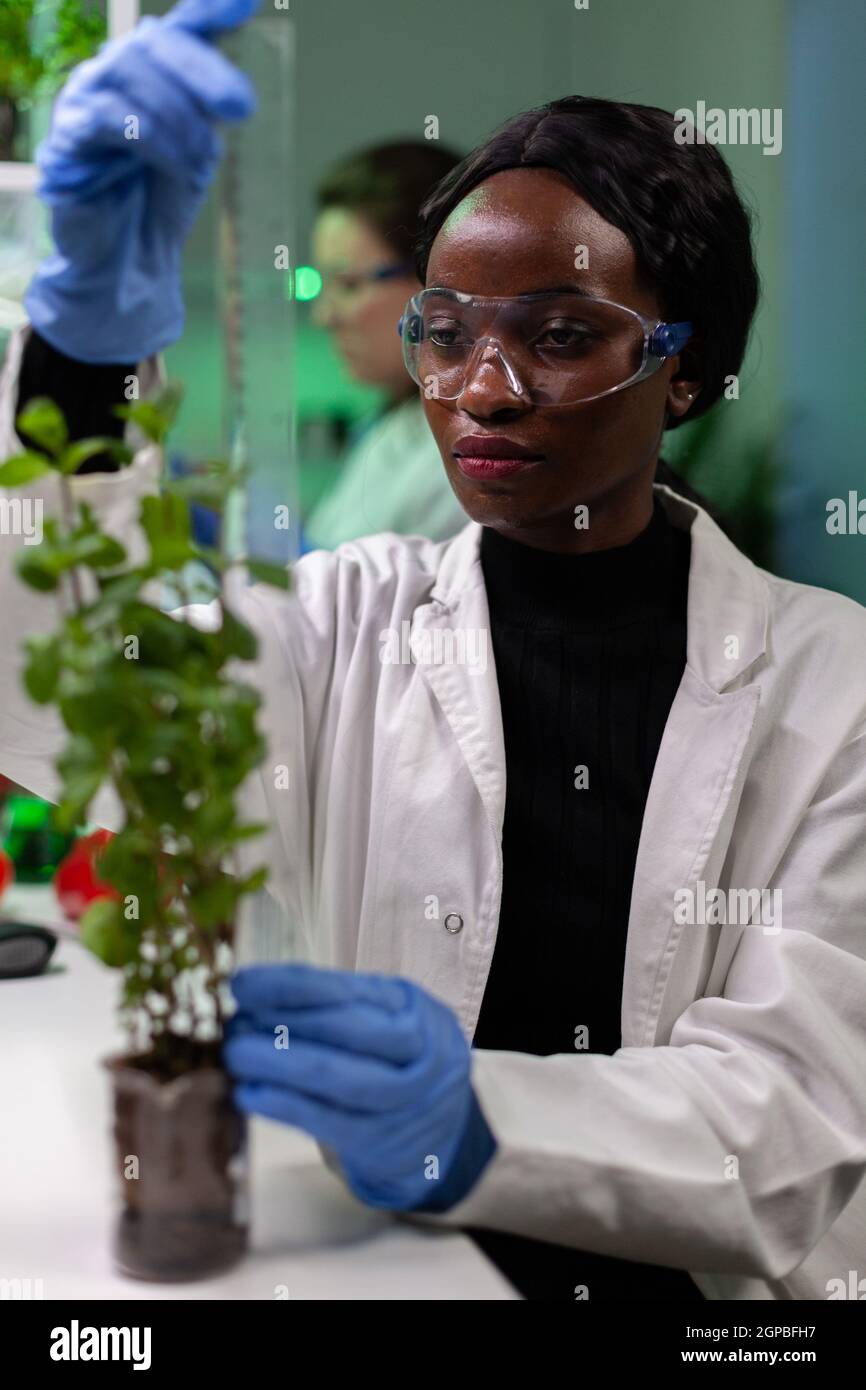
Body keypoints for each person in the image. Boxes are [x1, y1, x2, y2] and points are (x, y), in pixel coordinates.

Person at [2, 0, 866, 1301]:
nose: (481, 385)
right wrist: (79, 355)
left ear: (684, 370)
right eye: (447, 328)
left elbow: (794, 1123)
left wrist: (477, 1118)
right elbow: (68, 691)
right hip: (394, 1275)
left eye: (560, 335)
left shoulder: (833, 686)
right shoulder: (337, 620)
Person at [303, 140, 467, 549]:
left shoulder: (462, 458)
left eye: (349, 284)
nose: (324, 315)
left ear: (433, 279)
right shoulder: (395, 424)